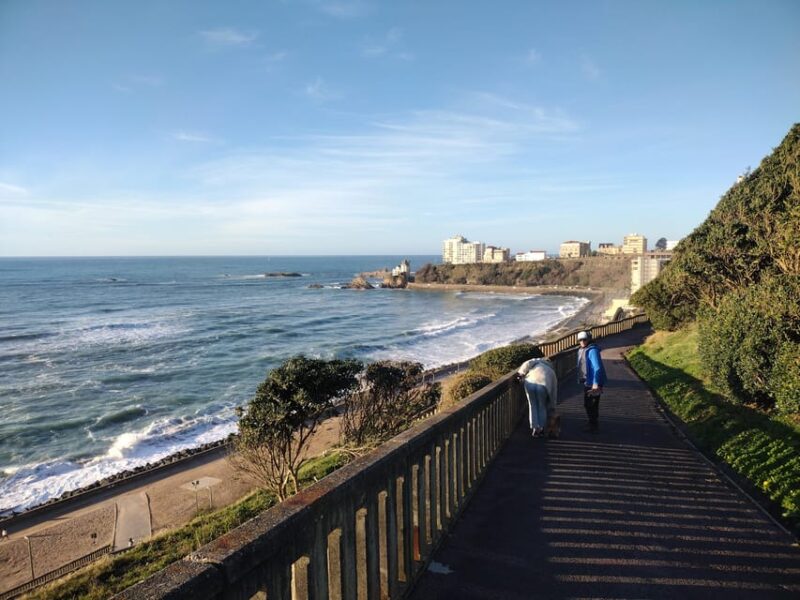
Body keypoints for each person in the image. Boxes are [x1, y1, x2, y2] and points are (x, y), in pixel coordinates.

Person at [516, 357, 557, 437]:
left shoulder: (535, 363)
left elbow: (526, 363)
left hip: (530, 383)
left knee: (532, 406)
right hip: (543, 385)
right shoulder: (551, 371)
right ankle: (541, 429)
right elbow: (554, 390)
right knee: (542, 406)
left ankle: (535, 429)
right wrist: (553, 405)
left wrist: (521, 373)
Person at [577, 330, 606, 432]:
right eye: (580, 340)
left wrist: (595, 383)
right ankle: (592, 423)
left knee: (590, 404)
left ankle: (593, 426)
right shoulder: (584, 349)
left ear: (589, 339)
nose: (582, 341)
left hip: (593, 383)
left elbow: (597, 367)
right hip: (588, 381)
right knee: (591, 404)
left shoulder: (592, 350)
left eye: (584, 339)